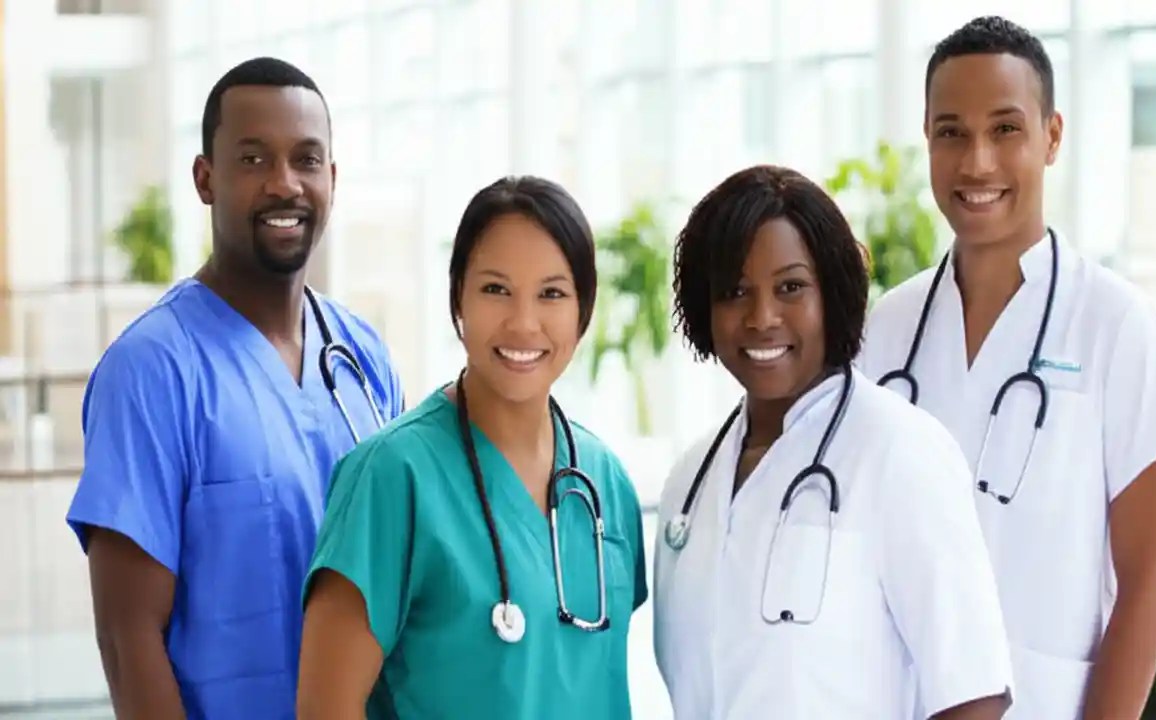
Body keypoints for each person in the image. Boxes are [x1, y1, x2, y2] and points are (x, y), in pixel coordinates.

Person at [856, 16, 1156, 720]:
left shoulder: (1121, 328)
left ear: (1052, 136)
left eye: (1005, 128)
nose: (976, 161)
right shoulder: (884, 328)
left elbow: (1153, 580)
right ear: (926, 138)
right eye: (951, 131)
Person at [65, 57, 404, 719]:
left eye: (307, 160)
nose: (285, 185)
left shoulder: (362, 357)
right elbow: (127, 635)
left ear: (332, 179)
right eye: (253, 160)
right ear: (205, 178)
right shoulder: (152, 370)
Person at [652, 164, 1014, 720]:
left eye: (790, 287)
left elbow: (973, 695)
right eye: (735, 291)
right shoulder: (690, 479)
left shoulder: (902, 453)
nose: (762, 316)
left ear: (835, 292)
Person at [296, 175, 648, 720]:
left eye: (552, 293)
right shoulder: (391, 476)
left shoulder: (605, 482)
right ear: (457, 296)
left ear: (583, 310)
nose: (523, 322)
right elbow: (326, 709)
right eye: (495, 289)